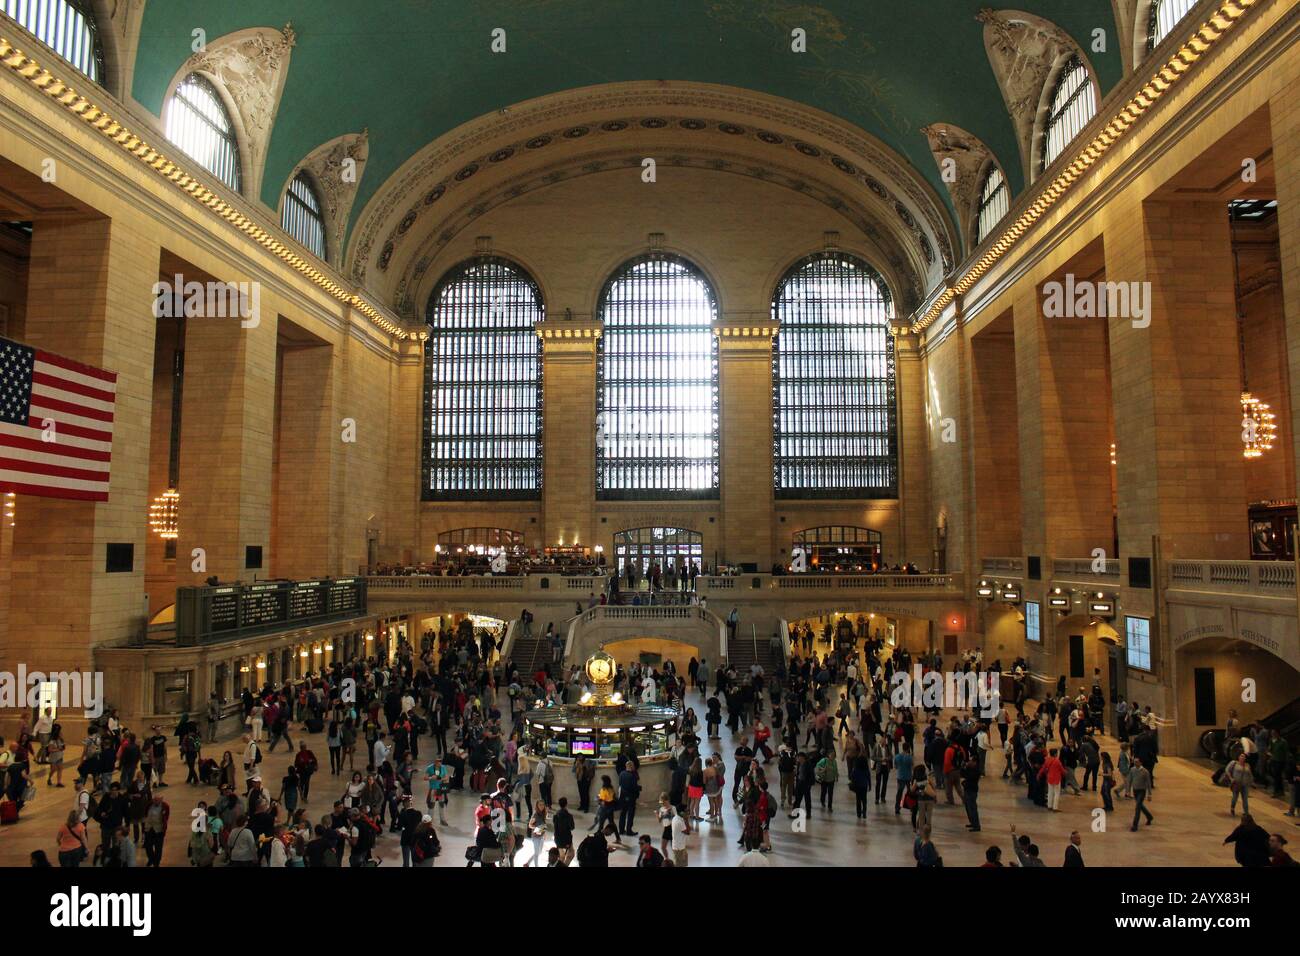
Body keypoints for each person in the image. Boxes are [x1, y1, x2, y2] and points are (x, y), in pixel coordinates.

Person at [1129, 757, 1154, 831]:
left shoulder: (1145, 772)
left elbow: (1148, 783)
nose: (1135, 763)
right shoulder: (1132, 770)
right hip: (1135, 790)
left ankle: (1135, 825)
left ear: (1140, 763)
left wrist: (1149, 794)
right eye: (1134, 762)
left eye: (1136, 762)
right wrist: (1128, 790)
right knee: (1140, 806)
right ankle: (1149, 817)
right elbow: (1130, 780)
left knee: (1137, 808)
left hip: (1142, 791)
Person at [552, 797, 575, 865]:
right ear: (566, 804)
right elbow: (572, 827)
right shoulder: (569, 816)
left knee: (561, 856)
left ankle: (560, 865)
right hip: (567, 839)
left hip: (558, 838)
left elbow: (555, 826)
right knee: (571, 854)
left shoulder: (555, 816)